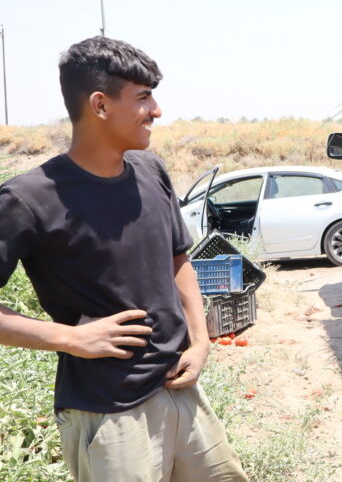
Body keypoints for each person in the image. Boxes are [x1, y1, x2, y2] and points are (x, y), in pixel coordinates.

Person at [0, 37, 248, 482]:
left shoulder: (151, 171)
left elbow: (178, 259)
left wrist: (200, 341)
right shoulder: (28, 198)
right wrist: (69, 338)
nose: (157, 110)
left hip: (182, 394)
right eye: (143, 97)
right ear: (100, 105)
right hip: (109, 412)